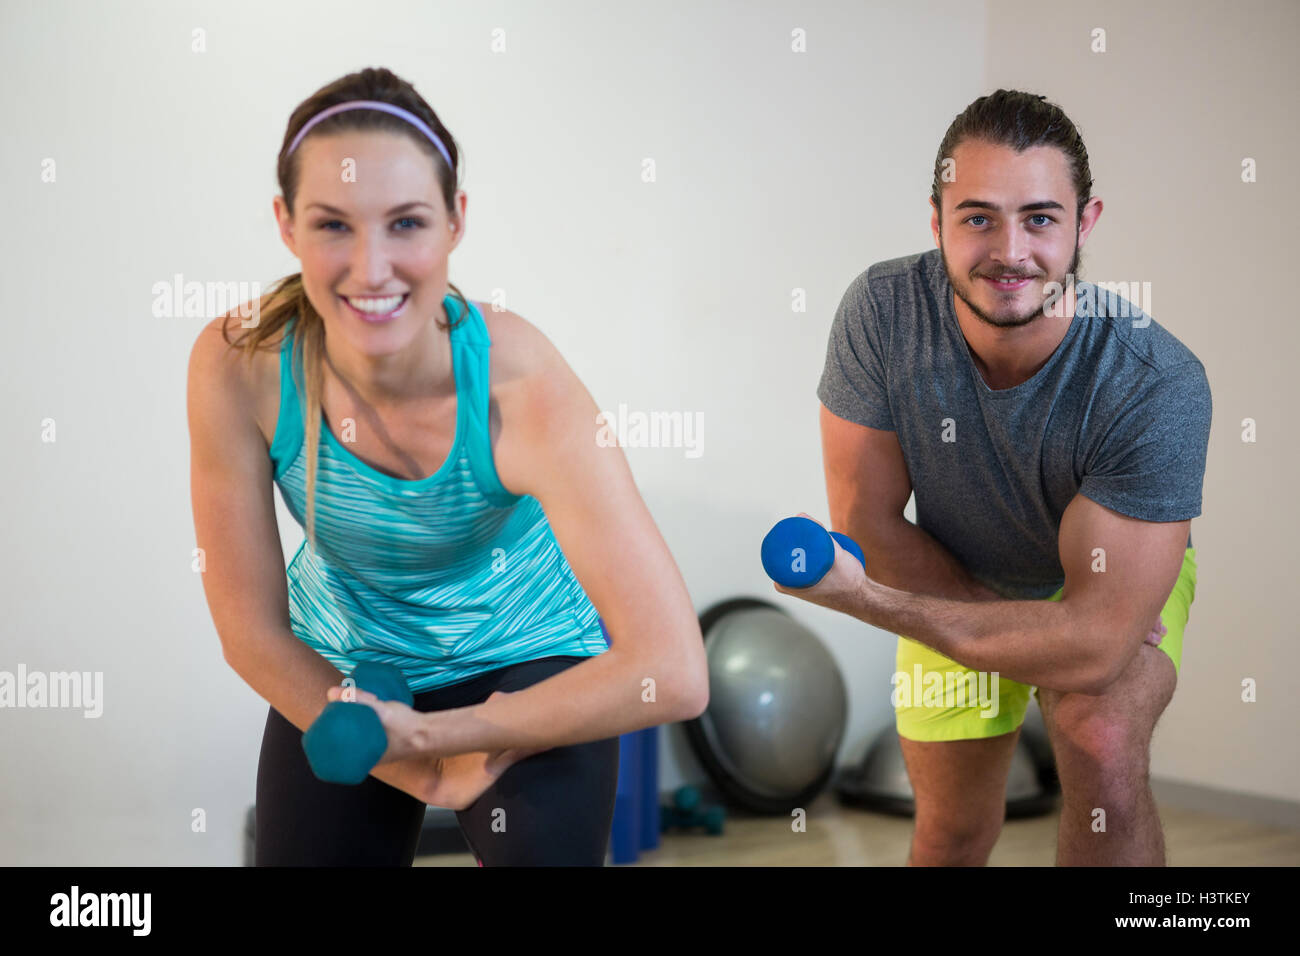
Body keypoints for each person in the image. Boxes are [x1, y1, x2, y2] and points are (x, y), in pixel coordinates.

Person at [187, 67, 707, 866]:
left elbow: (673, 670)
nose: (371, 268)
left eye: (406, 223)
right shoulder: (241, 364)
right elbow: (250, 629)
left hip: (526, 657)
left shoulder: (519, 386)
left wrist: (452, 735)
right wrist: (420, 767)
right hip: (345, 664)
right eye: (333, 225)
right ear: (286, 224)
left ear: (455, 222)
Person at [789, 90, 1210, 866]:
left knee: (1102, 743)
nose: (1009, 251)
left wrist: (1074, 644)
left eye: (1041, 218)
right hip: (951, 573)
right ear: (936, 219)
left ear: (1086, 223)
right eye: (977, 216)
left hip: (1100, 584)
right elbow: (869, 525)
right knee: (949, 831)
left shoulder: (1155, 381)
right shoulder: (881, 313)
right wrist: (1021, 638)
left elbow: (1094, 641)